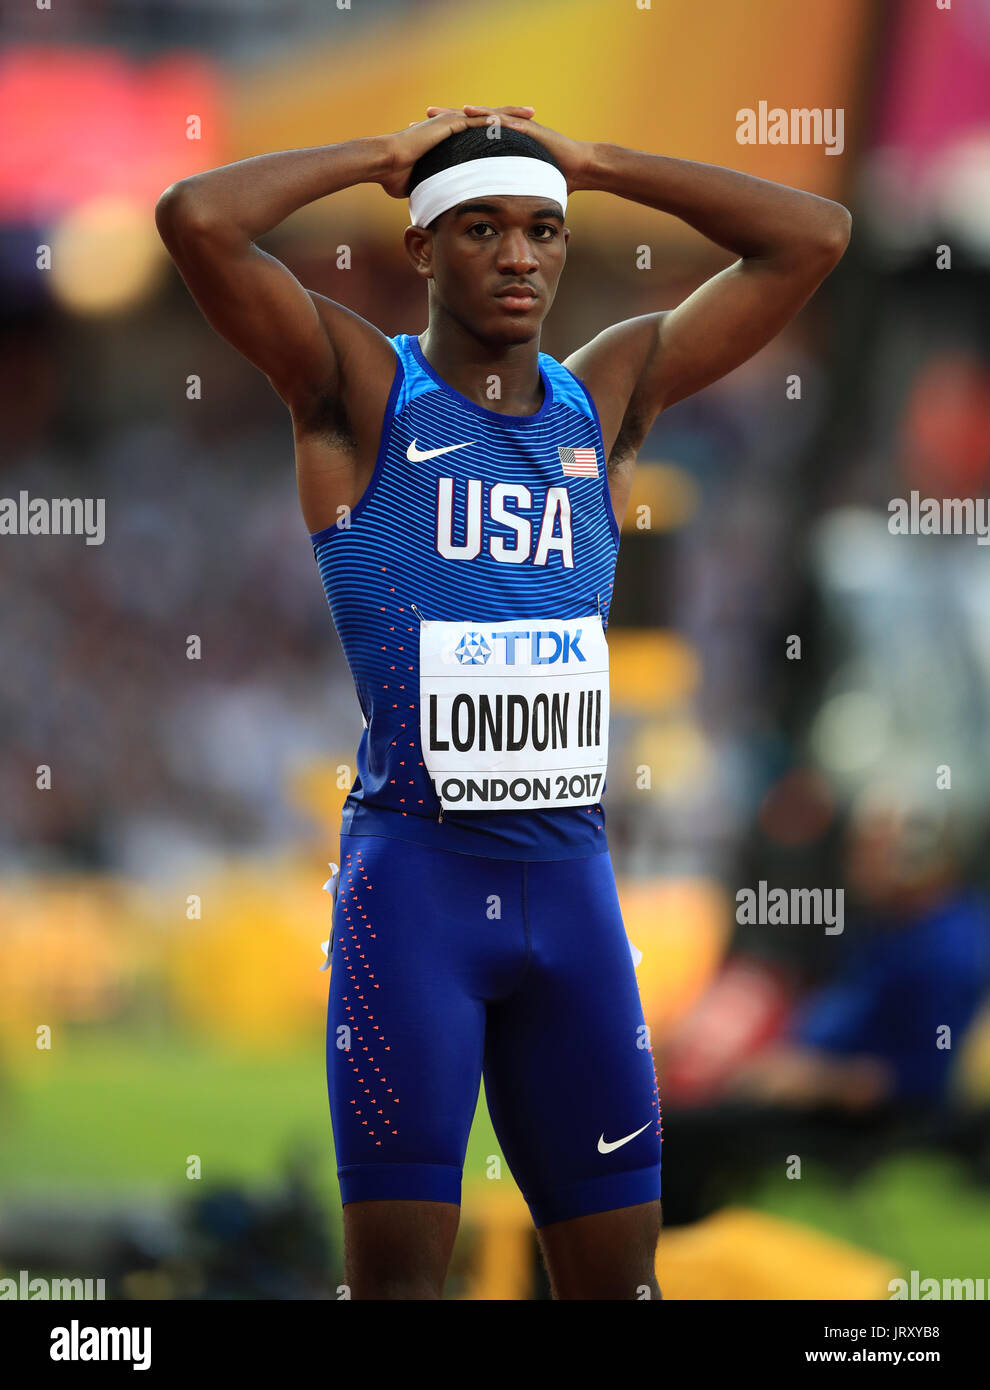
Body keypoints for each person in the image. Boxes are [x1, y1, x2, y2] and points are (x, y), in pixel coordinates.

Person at [155, 102, 851, 1299]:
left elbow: (814, 235)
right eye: (481, 228)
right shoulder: (361, 394)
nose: (520, 257)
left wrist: (596, 160)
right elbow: (197, 219)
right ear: (421, 246)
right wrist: (380, 158)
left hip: (573, 897)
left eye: (544, 230)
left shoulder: (609, 395)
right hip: (414, 897)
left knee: (619, 1286)